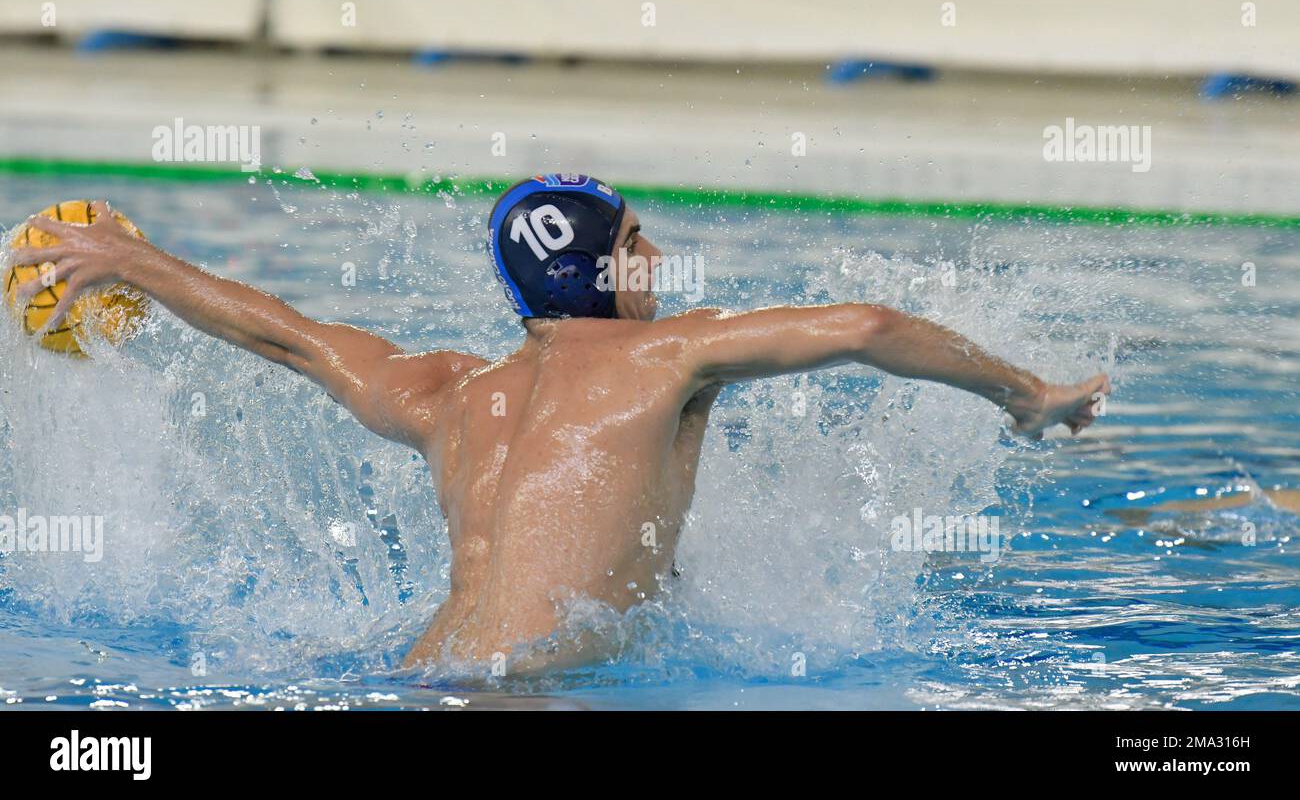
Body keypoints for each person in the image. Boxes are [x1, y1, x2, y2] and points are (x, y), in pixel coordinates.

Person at [9, 175, 1110, 672]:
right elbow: (868, 320)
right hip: (537, 683)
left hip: (420, 666)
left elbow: (286, 335)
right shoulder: (674, 353)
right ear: (608, 266)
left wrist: (130, 262)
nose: (659, 262)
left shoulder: (448, 388)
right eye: (641, 242)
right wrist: (1026, 392)